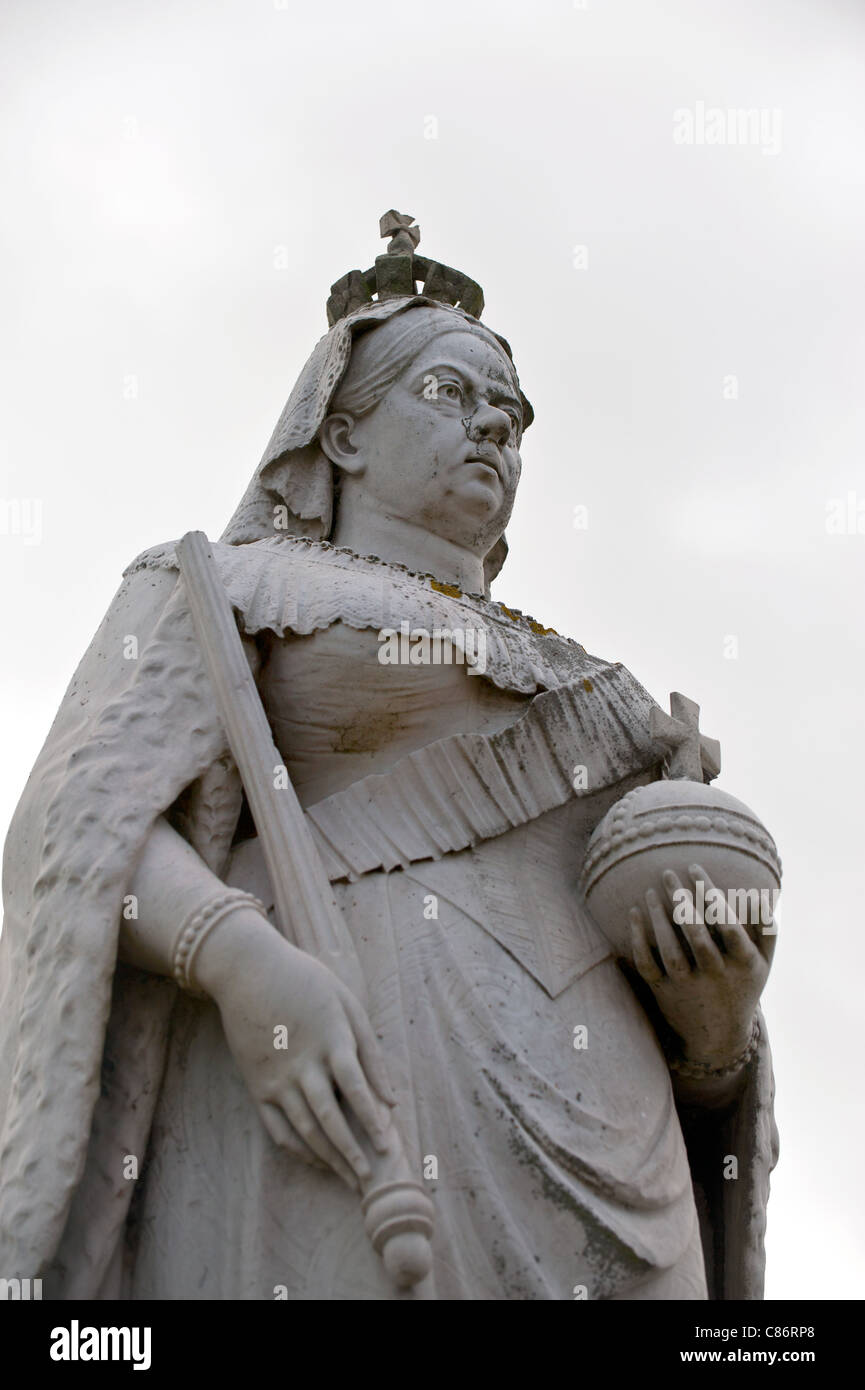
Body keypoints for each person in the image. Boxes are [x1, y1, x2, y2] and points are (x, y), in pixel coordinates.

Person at [0, 222, 777, 1300]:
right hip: (341, 1078)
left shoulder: (594, 684)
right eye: (453, 396)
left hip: (618, 1139)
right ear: (344, 432)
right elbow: (72, 836)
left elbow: (673, 969)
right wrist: (240, 964)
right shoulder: (226, 587)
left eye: (510, 420)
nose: (493, 432)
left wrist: (716, 1040)